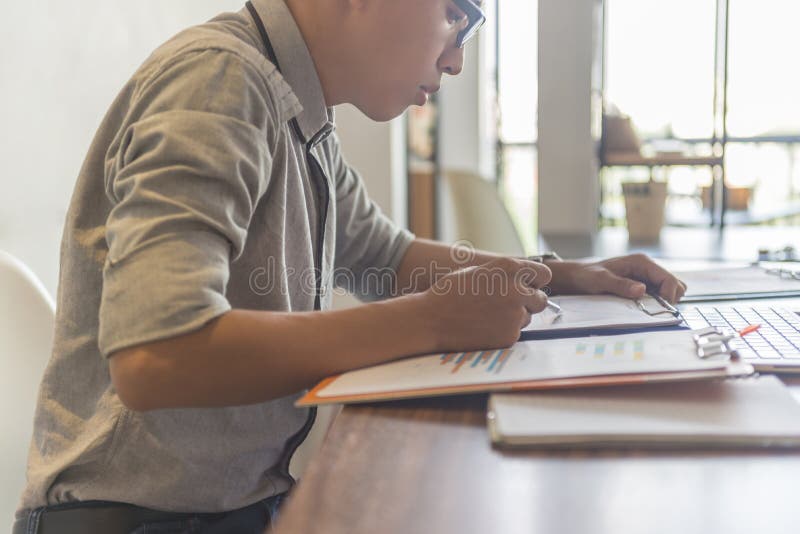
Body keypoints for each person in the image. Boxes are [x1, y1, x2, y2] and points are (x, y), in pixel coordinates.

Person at [14, 0, 686, 532]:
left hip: (225, 511)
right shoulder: (220, 82)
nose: (455, 60)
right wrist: (431, 323)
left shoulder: (296, 107)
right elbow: (157, 355)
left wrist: (561, 272)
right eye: (457, 15)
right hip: (144, 522)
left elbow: (387, 260)